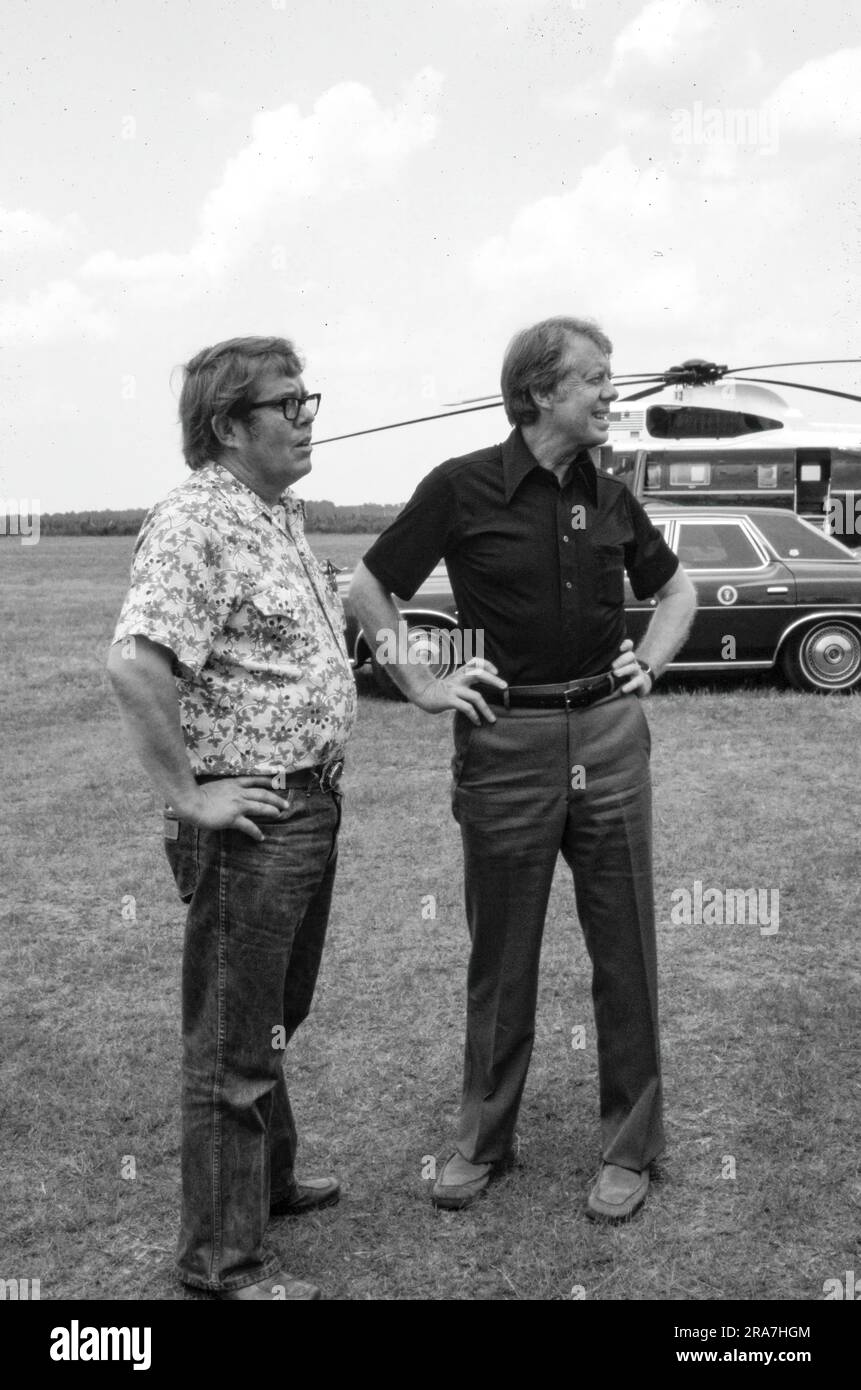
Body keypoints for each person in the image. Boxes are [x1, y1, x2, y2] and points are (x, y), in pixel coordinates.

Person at [350, 316, 697, 1221]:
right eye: (595, 379)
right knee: (500, 953)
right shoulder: (461, 487)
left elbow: (677, 589)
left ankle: (631, 1147)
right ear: (542, 390)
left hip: (611, 734)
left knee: (625, 946)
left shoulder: (611, 493)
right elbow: (366, 586)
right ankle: (481, 1142)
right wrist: (422, 685)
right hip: (505, 743)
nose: (610, 394)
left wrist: (649, 661)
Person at [107, 336, 356, 1299]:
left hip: (308, 802)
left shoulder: (275, 514)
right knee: (232, 1045)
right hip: (251, 820)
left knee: (274, 1019)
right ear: (226, 427)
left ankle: (273, 1183)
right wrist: (189, 794)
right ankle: (221, 1262)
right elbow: (136, 663)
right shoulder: (197, 521)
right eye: (287, 403)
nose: (307, 416)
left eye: (308, 398)